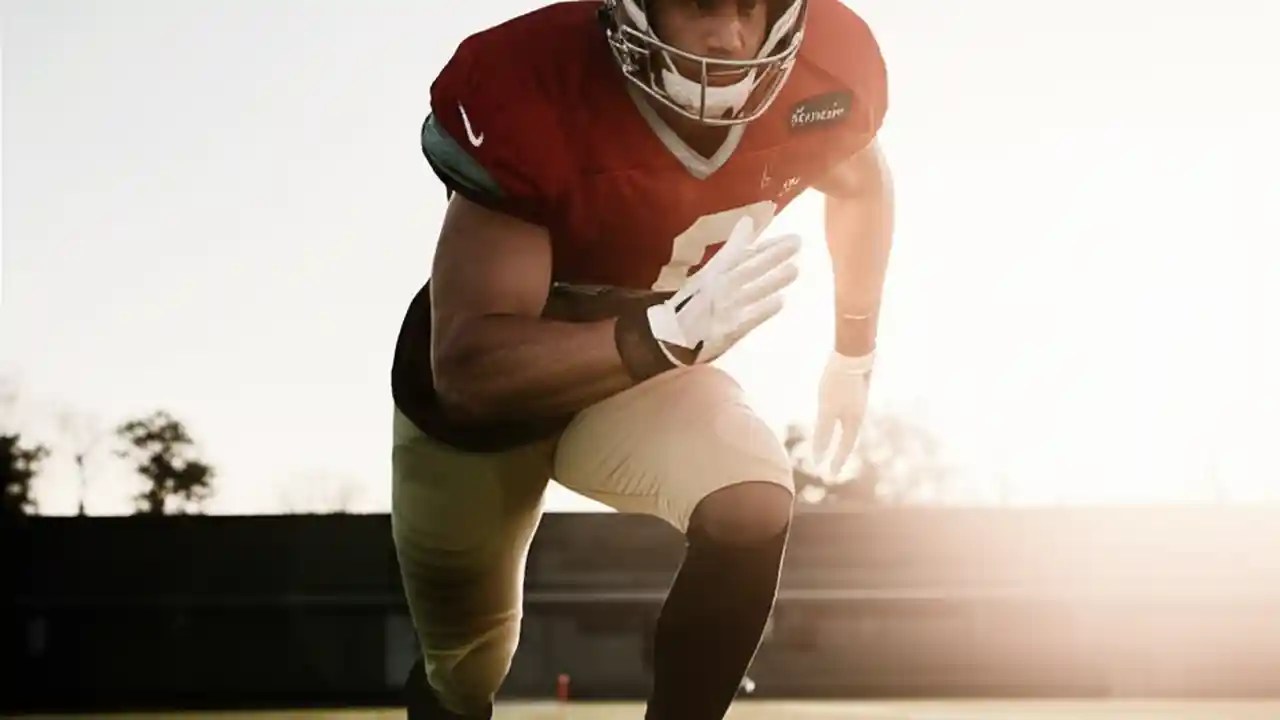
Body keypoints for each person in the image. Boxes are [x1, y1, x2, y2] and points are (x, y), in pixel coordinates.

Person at [390, 0, 894, 717]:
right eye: (699, 5)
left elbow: (863, 183)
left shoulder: (826, 68)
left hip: (650, 368)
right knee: (466, 664)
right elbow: (469, 372)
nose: (730, 37)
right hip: (498, 400)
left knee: (751, 499)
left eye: (750, 7)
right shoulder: (534, 81)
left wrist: (853, 354)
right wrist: (652, 336)